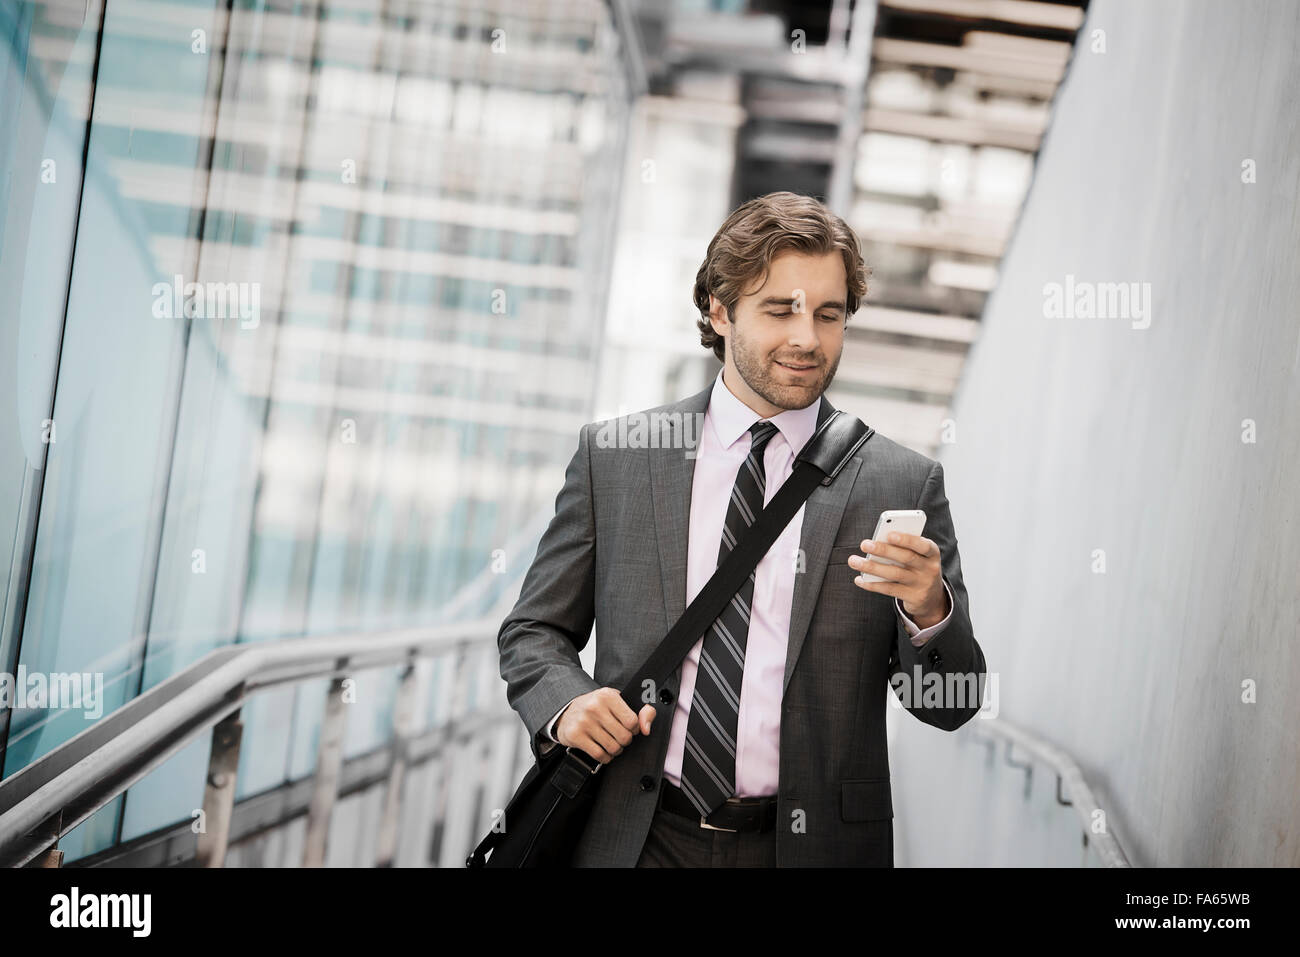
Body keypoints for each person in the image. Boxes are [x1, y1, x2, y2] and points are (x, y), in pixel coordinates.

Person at [497, 190, 987, 866]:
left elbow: (947, 705)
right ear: (720, 311)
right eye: (780, 309)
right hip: (634, 838)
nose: (807, 338)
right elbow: (534, 632)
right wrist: (566, 705)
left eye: (828, 313)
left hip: (811, 849)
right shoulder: (618, 458)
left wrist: (930, 610)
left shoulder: (901, 483)